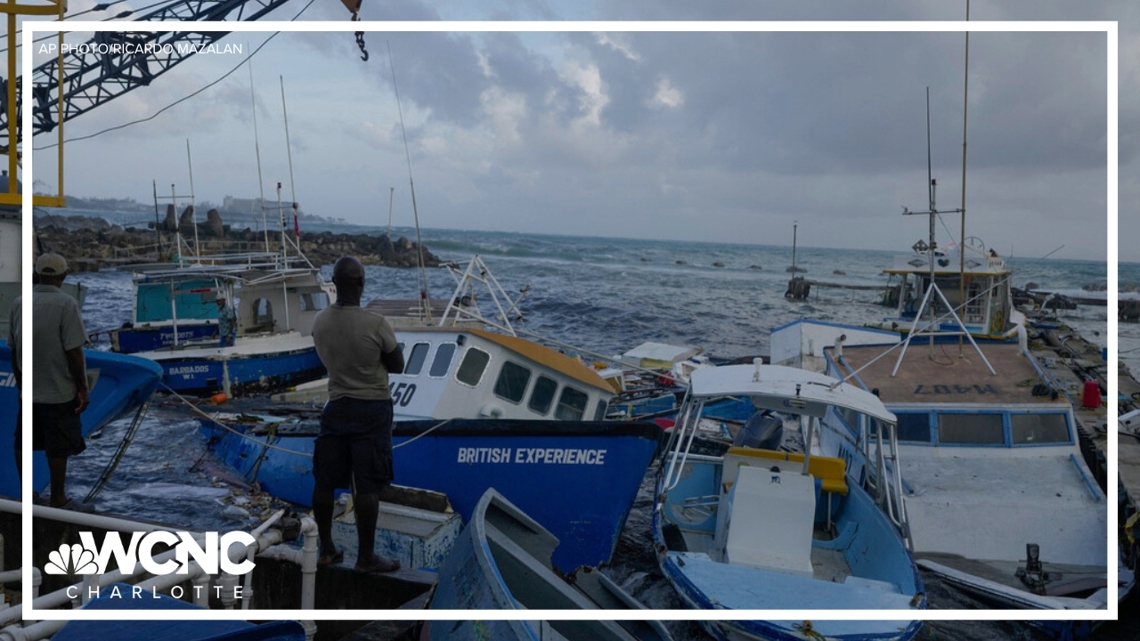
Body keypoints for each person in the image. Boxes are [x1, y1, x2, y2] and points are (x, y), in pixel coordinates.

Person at [310, 256, 405, 573]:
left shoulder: (320, 322)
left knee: (324, 482)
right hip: (372, 408)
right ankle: (366, 557)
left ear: (334, 284)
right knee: (367, 486)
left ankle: (326, 548)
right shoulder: (376, 324)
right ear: (362, 284)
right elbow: (397, 365)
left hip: (336, 406)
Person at [21, 253, 93, 511]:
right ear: (63, 276)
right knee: (58, 446)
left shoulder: (20, 302)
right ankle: (58, 498)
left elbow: (14, 347)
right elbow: (74, 350)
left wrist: (21, 385)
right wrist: (82, 388)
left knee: (24, 441)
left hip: (29, 389)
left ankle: (26, 493)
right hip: (59, 390)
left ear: (37, 274)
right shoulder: (67, 304)